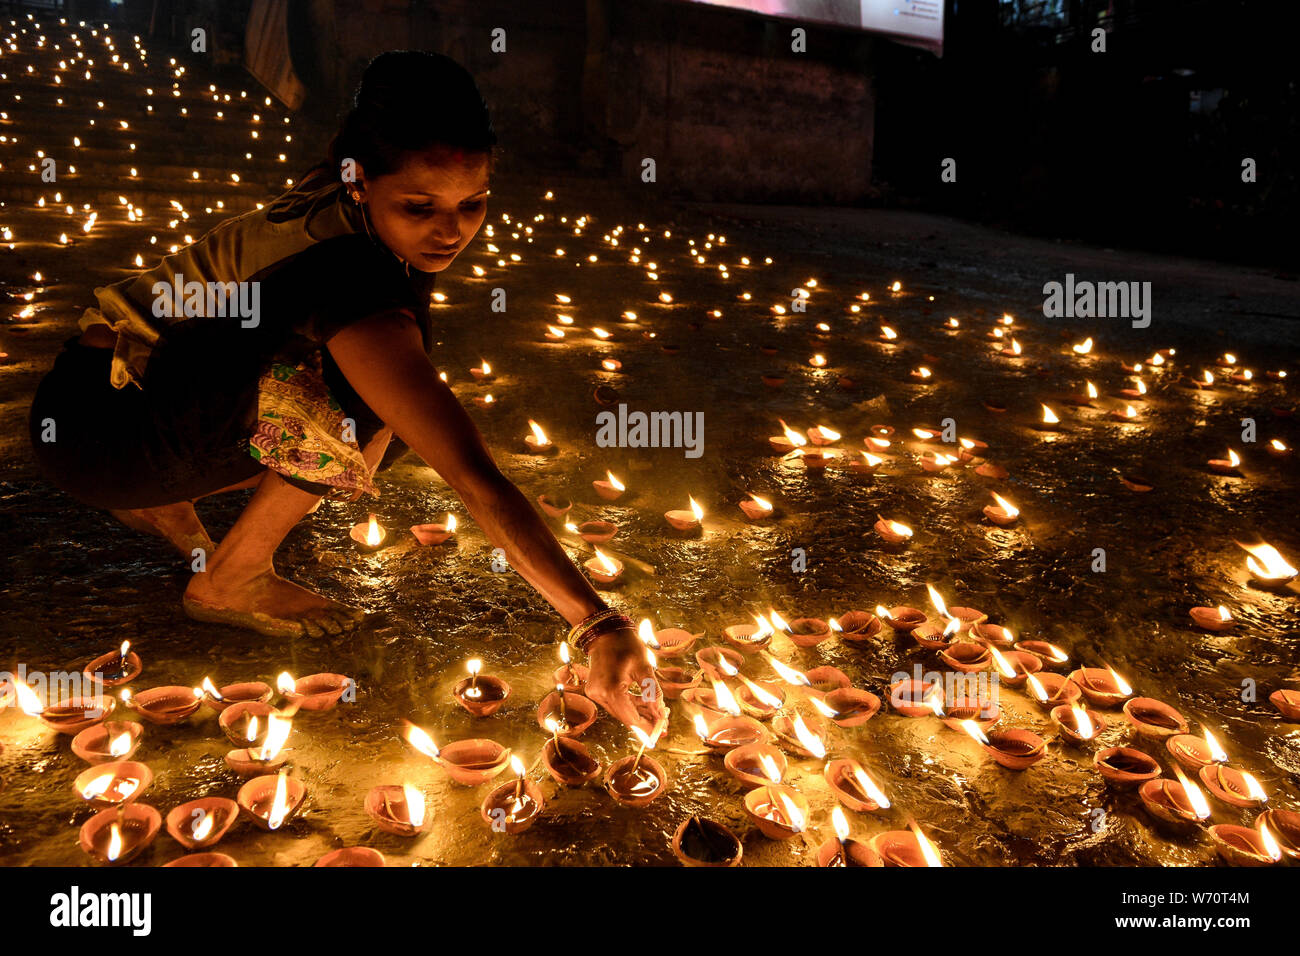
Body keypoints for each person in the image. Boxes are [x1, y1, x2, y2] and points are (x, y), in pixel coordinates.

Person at [27, 50, 663, 734]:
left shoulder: (340, 192)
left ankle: (167, 499)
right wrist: (595, 623)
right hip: (100, 434)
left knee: (378, 406)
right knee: (372, 415)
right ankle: (231, 577)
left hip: (99, 398)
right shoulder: (352, 270)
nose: (450, 230)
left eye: (472, 204)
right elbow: (471, 475)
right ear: (365, 186)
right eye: (419, 207)